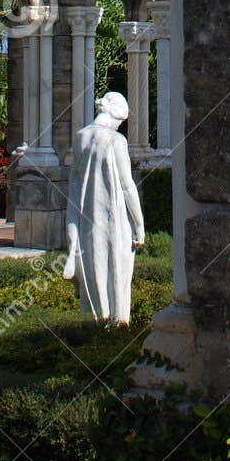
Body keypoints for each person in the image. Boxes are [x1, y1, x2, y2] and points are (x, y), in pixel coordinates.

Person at [63, 90, 144, 324]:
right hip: (114, 222)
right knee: (117, 277)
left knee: (94, 273)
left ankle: (96, 328)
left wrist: (72, 242)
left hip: (88, 222)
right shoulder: (116, 140)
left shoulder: (80, 137)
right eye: (122, 121)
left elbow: (75, 188)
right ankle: (116, 329)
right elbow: (128, 187)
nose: (120, 126)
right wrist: (139, 225)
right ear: (117, 114)